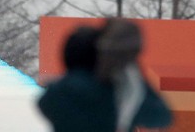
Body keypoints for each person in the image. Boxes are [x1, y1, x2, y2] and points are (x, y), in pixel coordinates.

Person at [37, 20, 173, 132]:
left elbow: (44, 104)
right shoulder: (123, 89)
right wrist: (133, 73)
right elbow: (161, 115)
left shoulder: (64, 90)